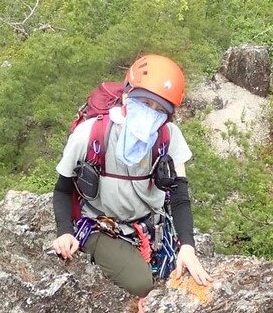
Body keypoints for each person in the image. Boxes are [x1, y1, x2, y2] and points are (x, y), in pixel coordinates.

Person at [50, 54, 212, 296]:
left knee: (172, 270)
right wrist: (65, 231)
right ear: (127, 95)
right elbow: (63, 189)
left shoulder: (169, 137)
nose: (151, 114)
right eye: (145, 103)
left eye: (160, 110)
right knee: (141, 283)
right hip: (102, 224)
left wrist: (187, 245)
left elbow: (179, 195)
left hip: (150, 223)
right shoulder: (90, 135)